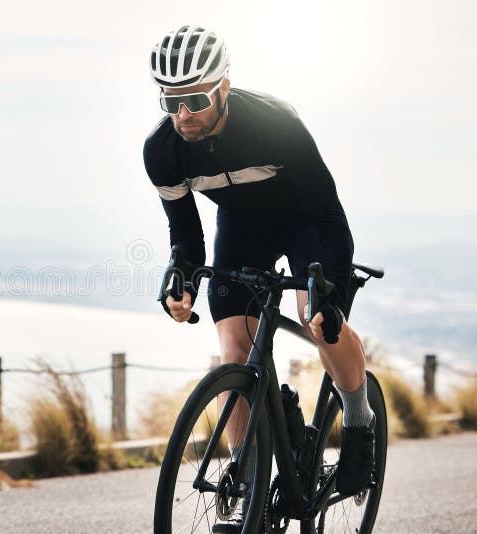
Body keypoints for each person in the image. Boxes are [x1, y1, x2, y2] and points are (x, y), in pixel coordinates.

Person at [144, 25, 375, 532]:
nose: (183, 115)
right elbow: (185, 234)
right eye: (171, 102)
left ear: (224, 86)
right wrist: (180, 278)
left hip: (304, 223)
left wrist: (330, 289)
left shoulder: (275, 124)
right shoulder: (161, 151)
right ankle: (251, 488)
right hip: (242, 229)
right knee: (233, 347)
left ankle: (359, 420)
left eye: (196, 99)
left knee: (316, 321)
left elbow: (328, 214)